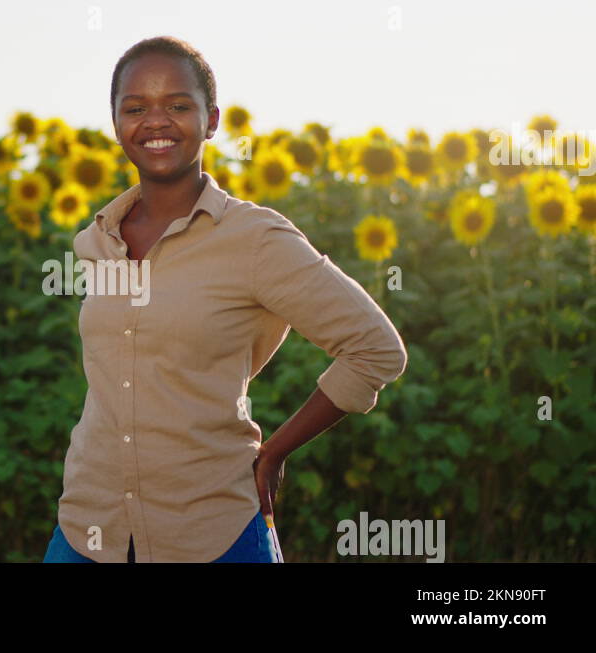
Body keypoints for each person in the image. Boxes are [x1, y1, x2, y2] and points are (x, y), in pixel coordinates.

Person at [42, 36, 407, 563]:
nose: (156, 121)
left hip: (212, 531)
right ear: (117, 123)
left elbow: (375, 349)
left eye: (179, 105)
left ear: (212, 120)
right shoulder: (97, 241)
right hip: (87, 527)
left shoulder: (255, 239)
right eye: (136, 108)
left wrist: (276, 451)